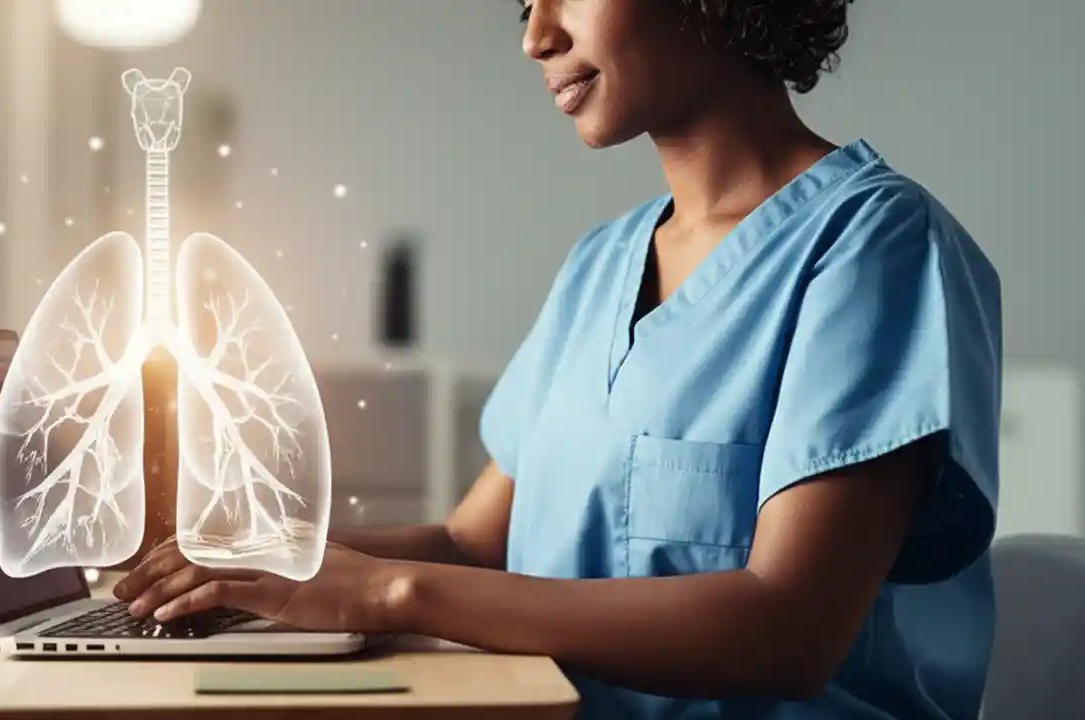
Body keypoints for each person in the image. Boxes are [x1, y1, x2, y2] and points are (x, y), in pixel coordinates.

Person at [115, 1, 1002, 717]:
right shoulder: (599, 264)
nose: (537, 35)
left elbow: (787, 630)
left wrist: (387, 594)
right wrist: (249, 558)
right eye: (526, 5)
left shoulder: (874, 245)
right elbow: (476, 544)